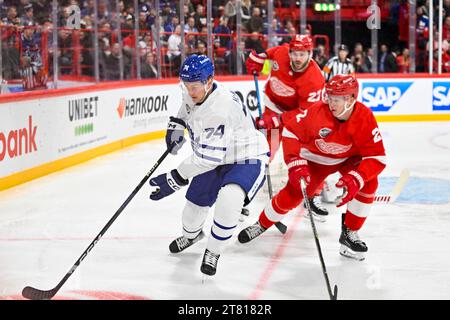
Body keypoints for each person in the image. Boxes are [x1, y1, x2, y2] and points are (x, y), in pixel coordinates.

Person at [238, 74, 387, 261]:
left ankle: (349, 233)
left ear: (351, 98)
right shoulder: (317, 112)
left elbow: (376, 157)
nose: (331, 103)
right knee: (294, 192)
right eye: (330, 97)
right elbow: (291, 131)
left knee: (369, 183)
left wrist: (357, 177)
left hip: (348, 158)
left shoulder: (364, 116)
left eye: (337, 99)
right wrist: (295, 163)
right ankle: (262, 223)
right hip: (316, 159)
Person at [148, 55, 269, 276]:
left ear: (209, 81)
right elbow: (187, 104)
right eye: (186, 85)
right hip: (215, 155)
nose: (189, 91)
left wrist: (174, 178)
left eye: (194, 86)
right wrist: (177, 123)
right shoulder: (195, 89)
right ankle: (193, 234)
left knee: (229, 201)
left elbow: (207, 159)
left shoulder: (219, 108)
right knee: (192, 212)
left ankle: (213, 250)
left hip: (246, 156)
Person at [245, 34, 328, 217]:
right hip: (273, 105)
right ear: (289, 52)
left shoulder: (314, 79)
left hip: (301, 118)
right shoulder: (282, 52)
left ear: (310, 53)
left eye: (303, 54)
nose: (298, 58)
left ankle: (313, 195)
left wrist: (277, 119)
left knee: (309, 153)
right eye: (295, 53)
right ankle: (245, 188)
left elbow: (305, 112)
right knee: (266, 149)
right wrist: (259, 58)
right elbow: (271, 52)